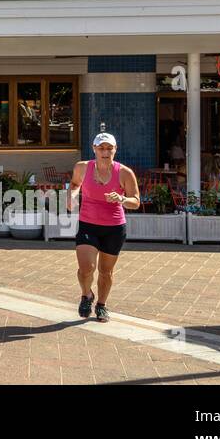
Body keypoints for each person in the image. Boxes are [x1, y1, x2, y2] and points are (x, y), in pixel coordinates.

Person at [68, 131, 140, 323]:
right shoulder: (82, 168)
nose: (105, 152)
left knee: (105, 271)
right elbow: (75, 184)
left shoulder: (124, 173)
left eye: (109, 148)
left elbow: (136, 201)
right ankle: (86, 295)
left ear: (115, 150)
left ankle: (101, 305)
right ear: (94, 149)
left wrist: (122, 198)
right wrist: (73, 196)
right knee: (86, 269)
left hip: (114, 228)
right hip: (88, 224)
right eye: (101, 148)